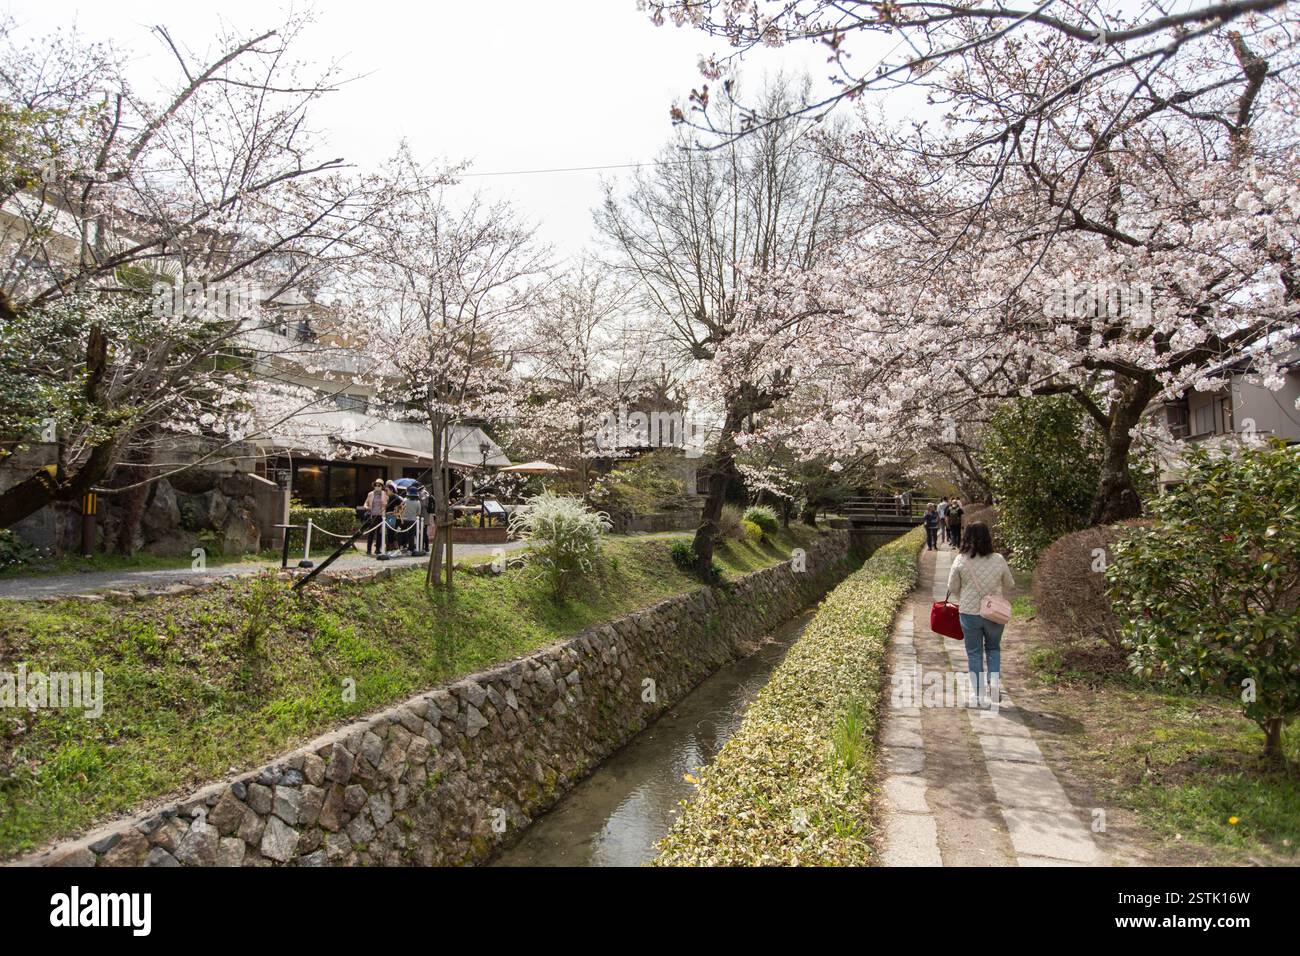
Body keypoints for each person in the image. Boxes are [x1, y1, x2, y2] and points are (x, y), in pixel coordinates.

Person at [947, 521, 1014, 708]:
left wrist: (964, 593)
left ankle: (978, 695)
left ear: (966, 536)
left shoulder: (961, 559)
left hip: (969, 612)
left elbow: (952, 587)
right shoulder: (999, 559)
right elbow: (1010, 584)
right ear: (988, 537)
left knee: (974, 653)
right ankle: (994, 684)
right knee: (993, 648)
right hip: (994, 612)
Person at [362, 480, 387, 555]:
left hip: (381, 516)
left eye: (379, 485)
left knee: (379, 534)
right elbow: (366, 502)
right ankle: (368, 550)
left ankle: (377, 549)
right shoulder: (370, 494)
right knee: (371, 533)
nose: (377, 487)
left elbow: (385, 503)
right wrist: (366, 506)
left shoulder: (384, 494)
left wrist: (382, 495)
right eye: (376, 485)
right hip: (372, 515)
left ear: (382, 486)